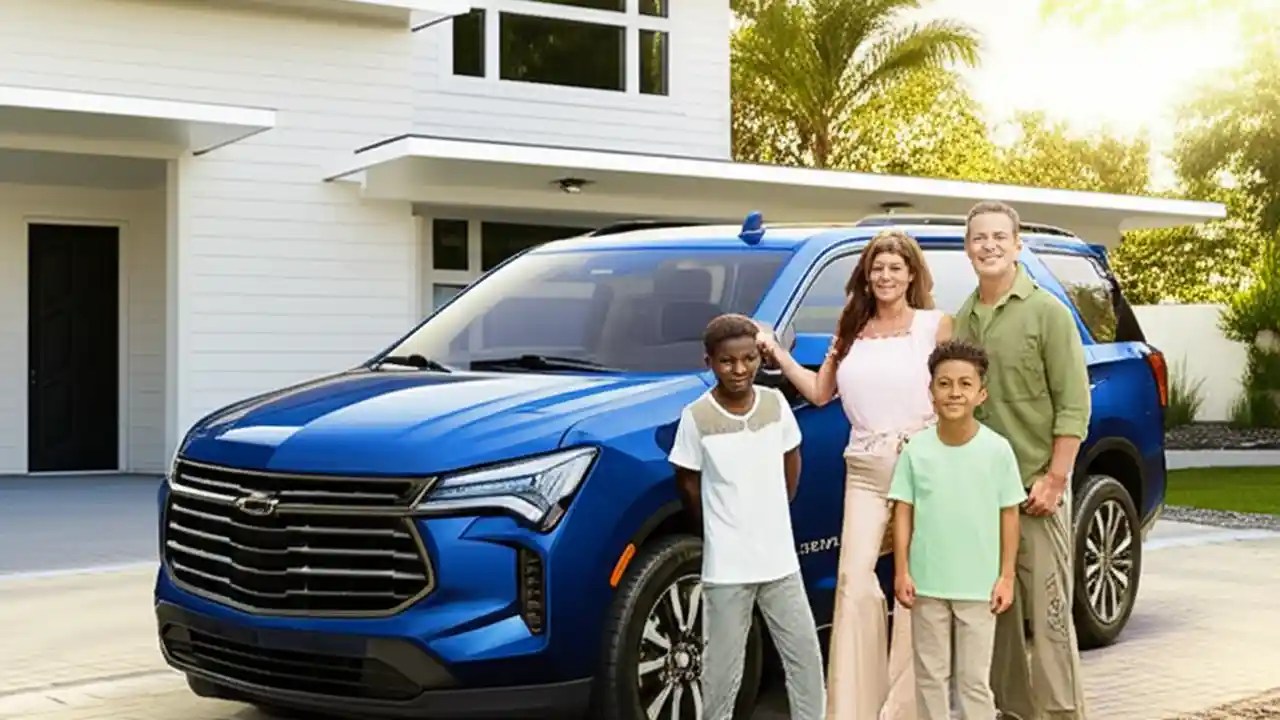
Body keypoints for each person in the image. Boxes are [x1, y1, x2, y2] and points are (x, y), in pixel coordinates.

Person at [757, 229, 952, 720]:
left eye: (895, 267)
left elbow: (956, 395)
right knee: (853, 582)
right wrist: (778, 354)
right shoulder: (850, 331)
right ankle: (852, 708)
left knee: (916, 586)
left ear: (911, 273)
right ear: (867, 274)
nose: (885, 276)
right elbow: (821, 393)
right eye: (877, 268)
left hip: (922, 464)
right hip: (864, 466)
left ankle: (907, 709)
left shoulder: (936, 326)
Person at [951, 200, 1091, 720]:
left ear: (1017, 244)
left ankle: (1062, 715)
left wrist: (1055, 479)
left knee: (1050, 618)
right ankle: (1012, 713)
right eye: (978, 238)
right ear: (967, 249)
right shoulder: (962, 318)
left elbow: (1074, 404)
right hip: (984, 498)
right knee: (996, 616)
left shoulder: (1047, 313)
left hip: (1037, 492)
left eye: (997, 237)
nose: (988, 245)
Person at [668, 313, 826, 720]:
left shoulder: (774, 405)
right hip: (728, 569)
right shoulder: (696, 417)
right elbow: (688, 482)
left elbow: (792, 460)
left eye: (748, 359)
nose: (739, 369)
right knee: (722, 670)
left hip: (779, 563)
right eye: (727, 361)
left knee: (805, 660)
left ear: (758, 357)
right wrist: (719, 529)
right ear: (710, 362)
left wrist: (772, 509)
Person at [888, 339, 1025, 720]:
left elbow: (1009, 515)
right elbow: (903, 511)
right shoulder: (916, 450)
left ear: (982, 394)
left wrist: (1006, 577)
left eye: (965, 384)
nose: (954, 393)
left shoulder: (997, 450)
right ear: (930, 392)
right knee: (930, 675)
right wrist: (902, 571)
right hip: (928, 585)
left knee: (973, 681)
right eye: (944, 383)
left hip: (979, 587)